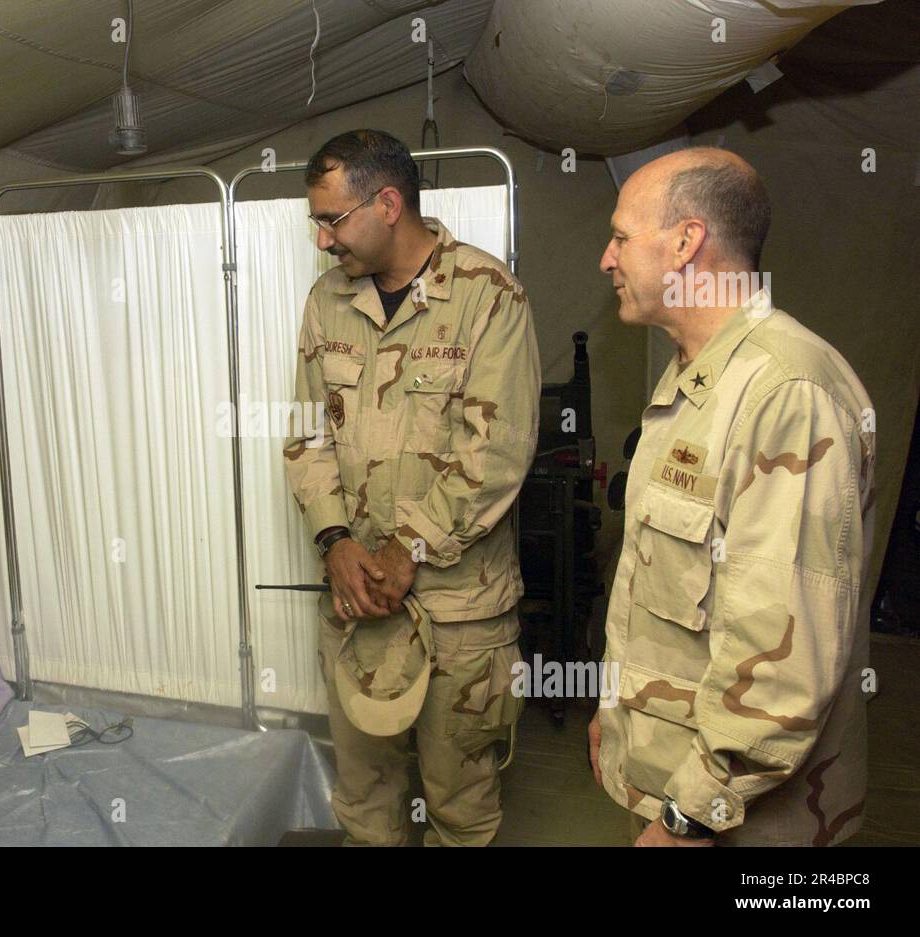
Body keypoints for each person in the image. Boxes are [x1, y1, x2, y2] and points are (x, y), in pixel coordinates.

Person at [589, 147, 876, 846]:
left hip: (739, 820)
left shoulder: (786, 393)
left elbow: (781, 666)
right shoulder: (694, 379)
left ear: (686, 243)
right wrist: (616, 708)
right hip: (674, 784)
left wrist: (689, 816)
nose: (606, 258)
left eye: (622, 236)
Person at [283, 129, 540, 845]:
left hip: (459, 615)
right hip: (359, 603)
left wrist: (408, 552)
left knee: (460, 813)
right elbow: (307, 436)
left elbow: (497, 453)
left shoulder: (488, 298)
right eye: (316, 222)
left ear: (389, 203)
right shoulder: (325, 305)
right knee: (366, 809)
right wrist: (335, 540)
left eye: (332, 219)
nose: (322, 240)